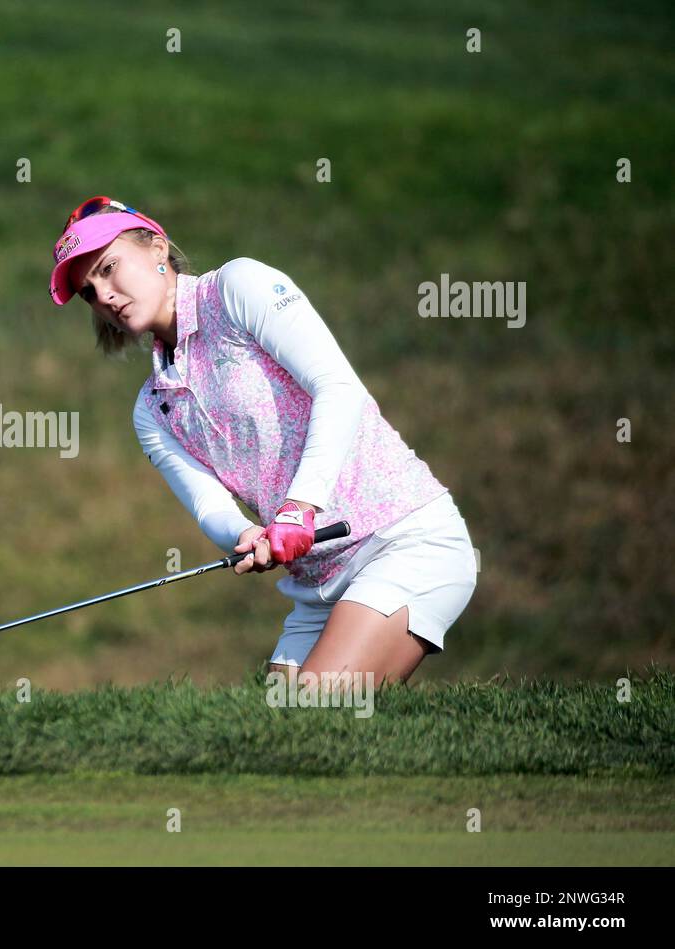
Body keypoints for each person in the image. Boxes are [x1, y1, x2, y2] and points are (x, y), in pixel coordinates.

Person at [48, 196, 477, 689]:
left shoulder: (237, 288)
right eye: (88, 291)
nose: (103, 295)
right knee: (273, 735)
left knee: (313, 711)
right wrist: (242, 535)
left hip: (403, 539)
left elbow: (339, 388)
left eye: (108, 268)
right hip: (317, 583)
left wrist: (299, 507)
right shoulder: (153, 410)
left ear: (157, 248)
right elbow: (209, 505)